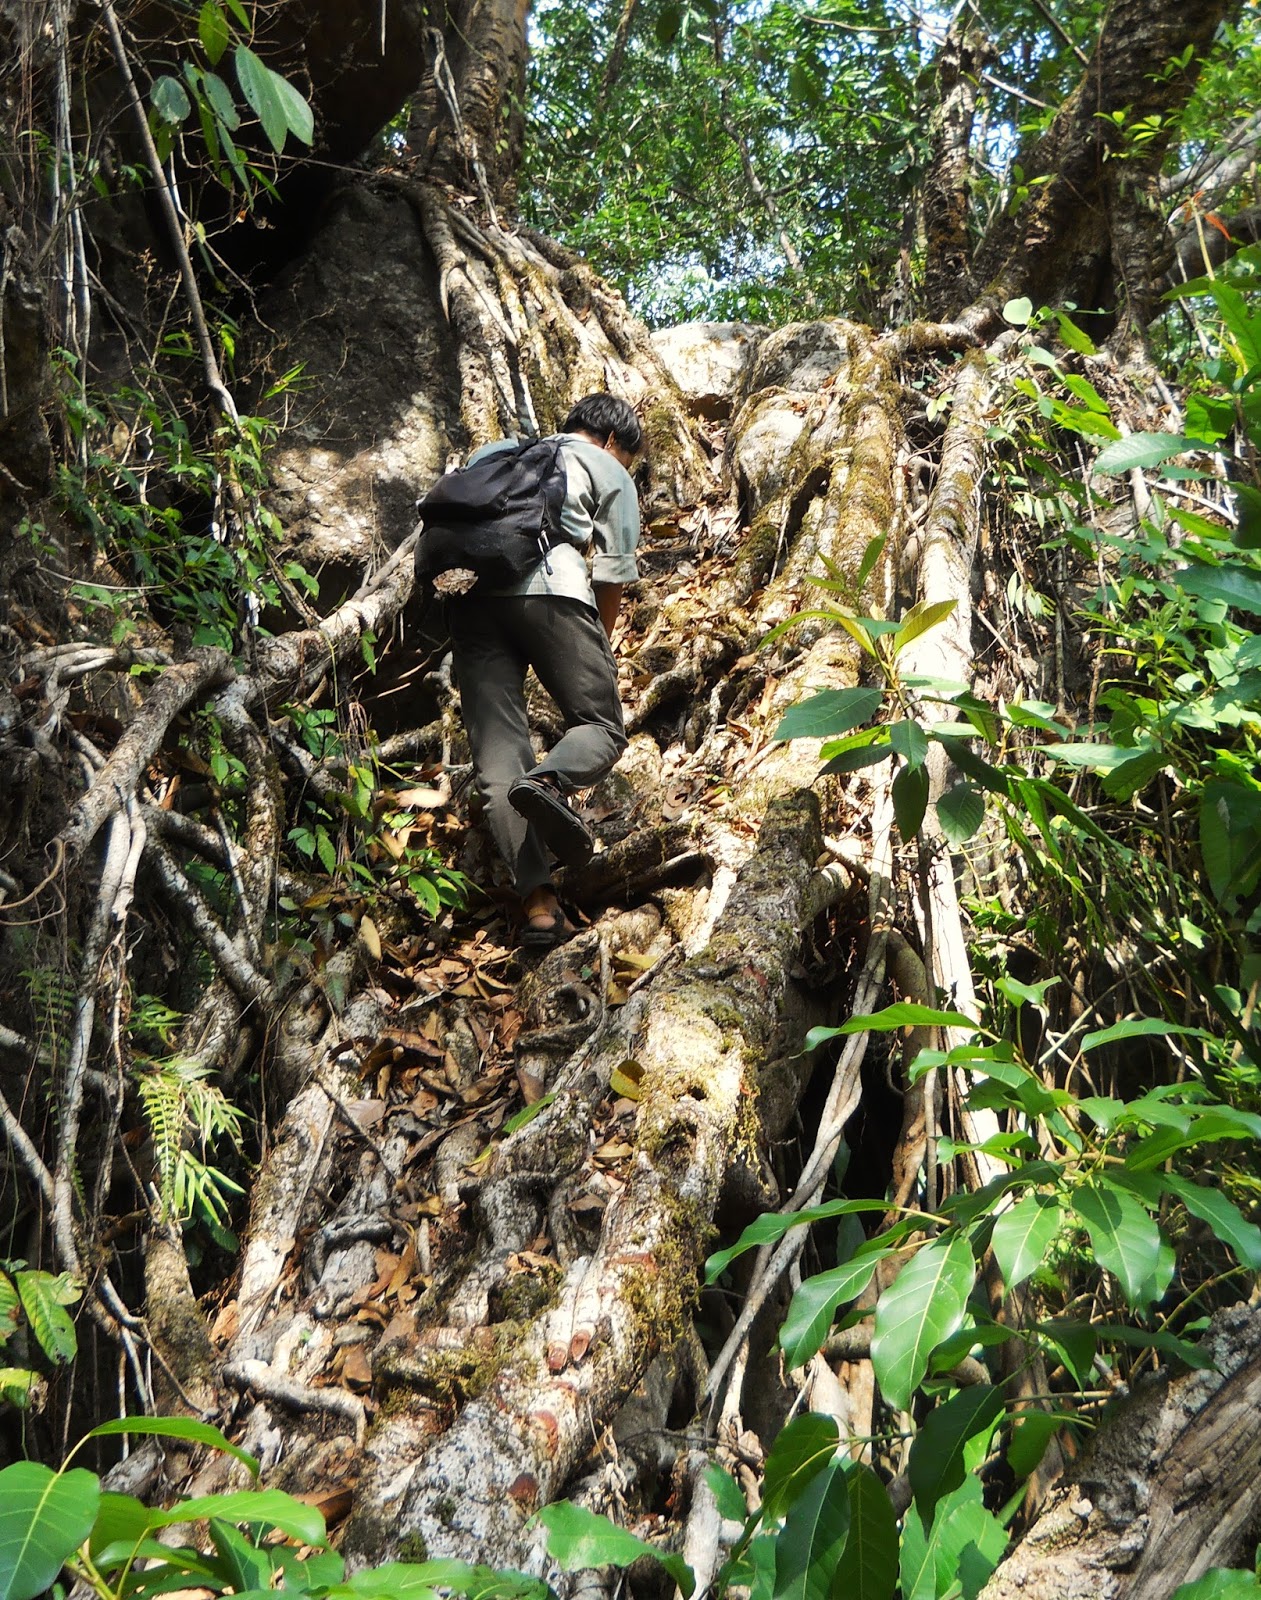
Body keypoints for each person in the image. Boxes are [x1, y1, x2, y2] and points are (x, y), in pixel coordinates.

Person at [446, 394, 643, 946]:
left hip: (470, 605)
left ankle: (537, 905)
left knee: (498, 755)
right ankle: (552, 781)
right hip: (552, 590)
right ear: (611, 441)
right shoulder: (607, 469)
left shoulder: (499, 452)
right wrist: (596, 647)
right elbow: (610, 575)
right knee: (602, 727)